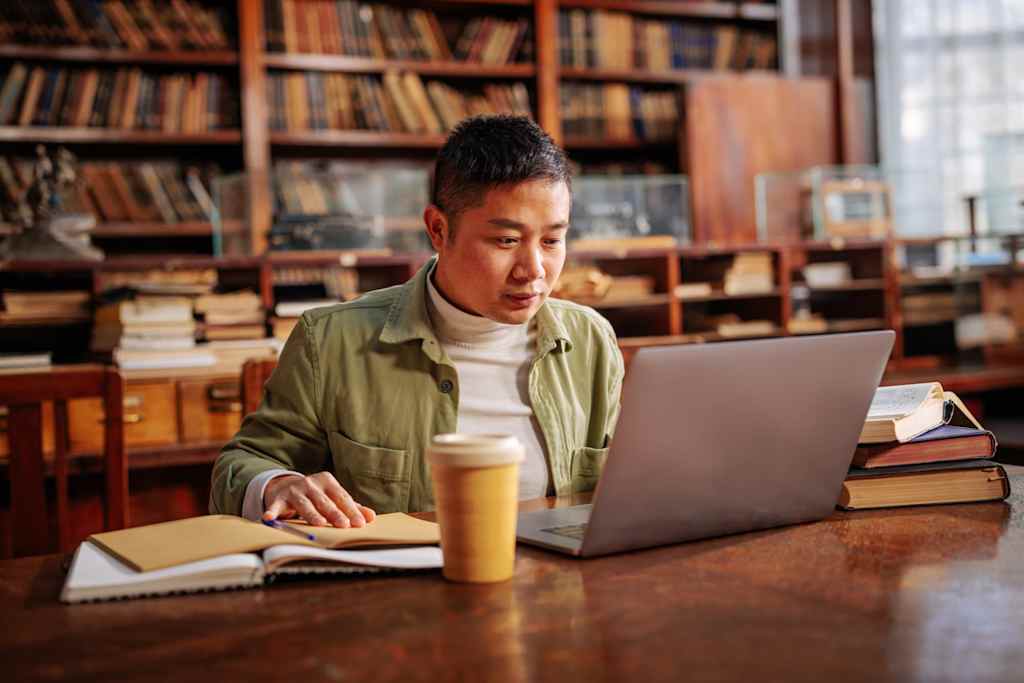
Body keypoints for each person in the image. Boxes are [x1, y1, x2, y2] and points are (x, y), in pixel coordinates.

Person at [210, 115, 623, 528]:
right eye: (507, 241)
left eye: (552, 240)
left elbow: (628, 481)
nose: (533, 270)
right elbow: (240, 464)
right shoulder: (329, 341)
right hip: (398, 587)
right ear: (439, 229)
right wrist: (277, 482)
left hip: (555, 583)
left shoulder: (590, 339)